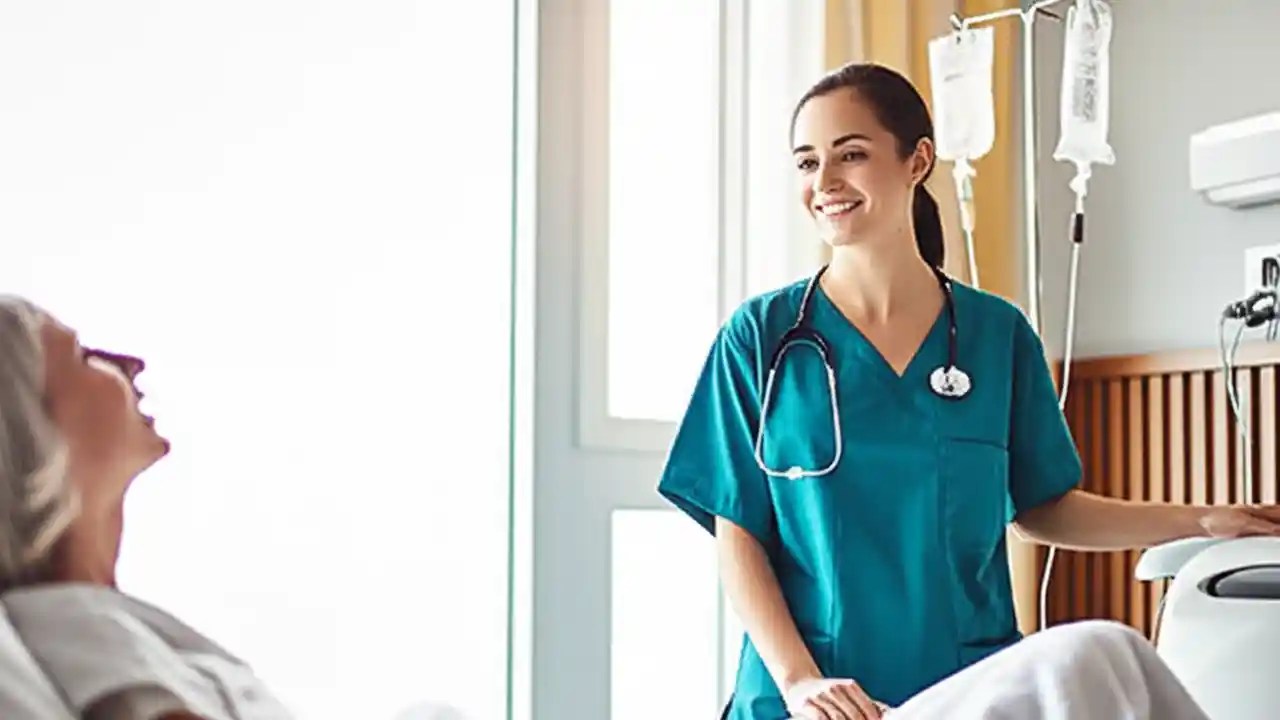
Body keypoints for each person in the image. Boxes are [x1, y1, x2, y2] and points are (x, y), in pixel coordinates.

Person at [656, 62, 1280, 720]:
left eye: (852, 155)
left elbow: (1045, 506)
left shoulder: (995, 335)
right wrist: (798, 680)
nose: (825, 183)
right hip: (809, 700)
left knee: (1111, 660)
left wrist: (1202, 520)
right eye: (807, 163)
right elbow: (739, 534)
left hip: (964, 690)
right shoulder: (760, 339)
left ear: (918, 160)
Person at [0, 296, 295, 720]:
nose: (131, 364)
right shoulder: (72, 625)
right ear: (30, 420)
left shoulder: (97, 626)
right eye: (83, 357)